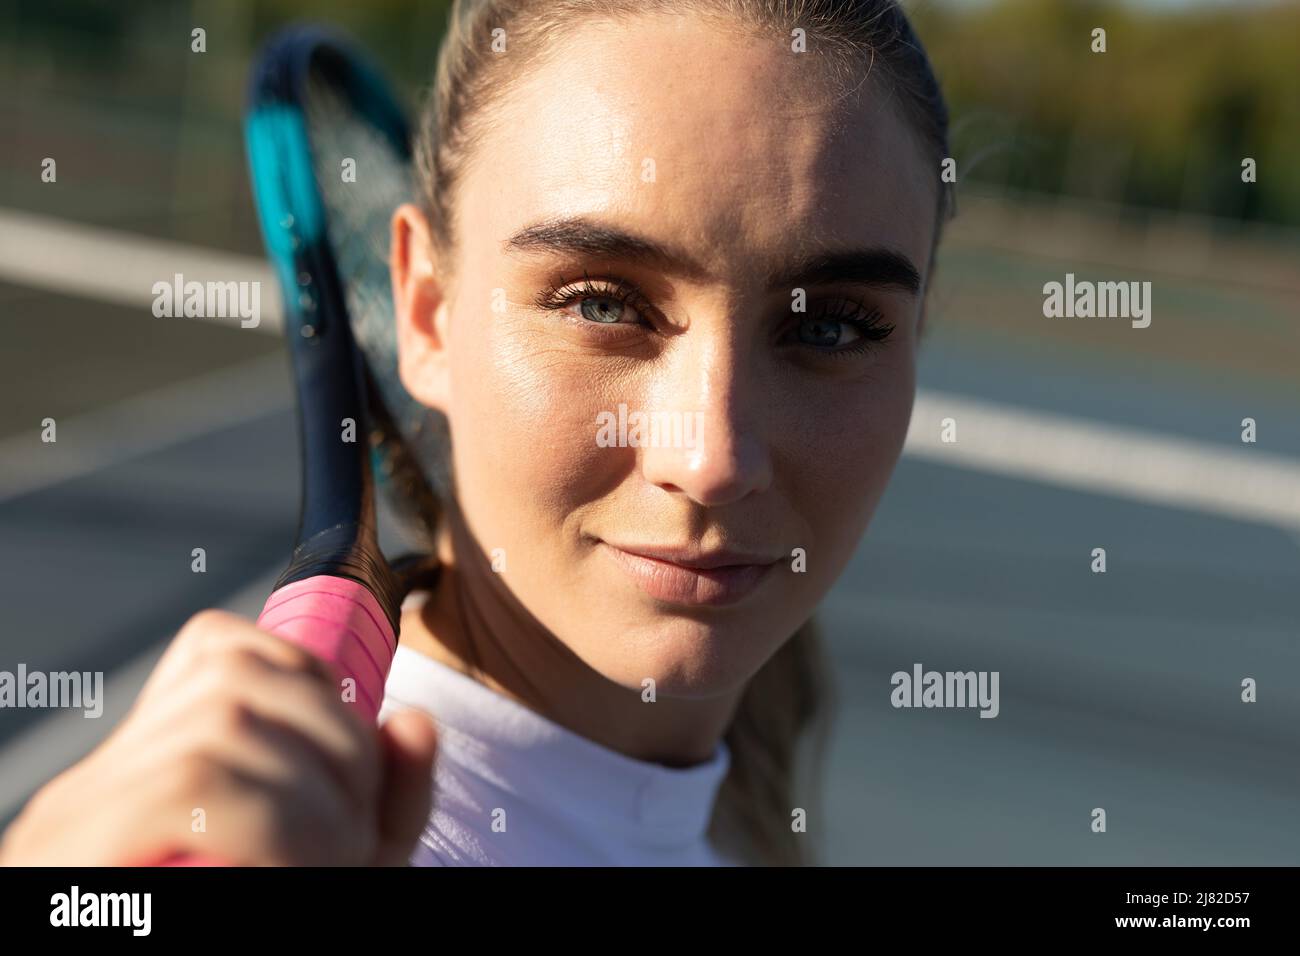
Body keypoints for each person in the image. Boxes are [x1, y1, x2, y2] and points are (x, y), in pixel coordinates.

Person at [0, 0, 952, 867]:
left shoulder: (729, 828)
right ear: (424, 311)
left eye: (831, 326)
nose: (712, 459)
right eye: (602, 302)